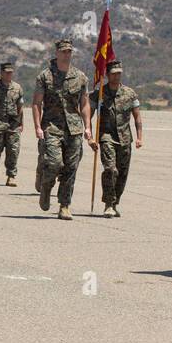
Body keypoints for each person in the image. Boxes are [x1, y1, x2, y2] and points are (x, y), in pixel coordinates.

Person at [33, 38, 93, 220]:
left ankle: (64, 205)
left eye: (69, 51)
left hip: (74, 128)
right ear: (57, 53)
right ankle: (46, 185)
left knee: (71, 167)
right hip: (51, 126)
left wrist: (88, 127)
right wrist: (37, 126)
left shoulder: (80, 77)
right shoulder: (45, 76)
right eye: (63, 51)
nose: (66, 54)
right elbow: (36, 103)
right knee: (54, 163)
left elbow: (84, 104)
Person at [91, 61, 142, 217]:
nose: (116, 76)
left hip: (125, 138)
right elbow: (90, 113)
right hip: (107, 136)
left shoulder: (130, 93)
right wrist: (90, 135)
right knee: (110, 169)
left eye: (119, 73)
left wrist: (140, 137)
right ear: (107, 75)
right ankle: (108, 203)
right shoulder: (99, 94)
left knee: (122, 174)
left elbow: (137, 116)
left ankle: (115, 202)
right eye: (113, 73)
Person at [0, 61, 23, 187]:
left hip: (13, 124)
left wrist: (20, 123)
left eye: (10, 73)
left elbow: (20, 106)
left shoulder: (17, 87)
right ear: (2, 73)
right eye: (6, 72)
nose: (9, 75)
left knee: (13, 151)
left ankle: (11, 176)